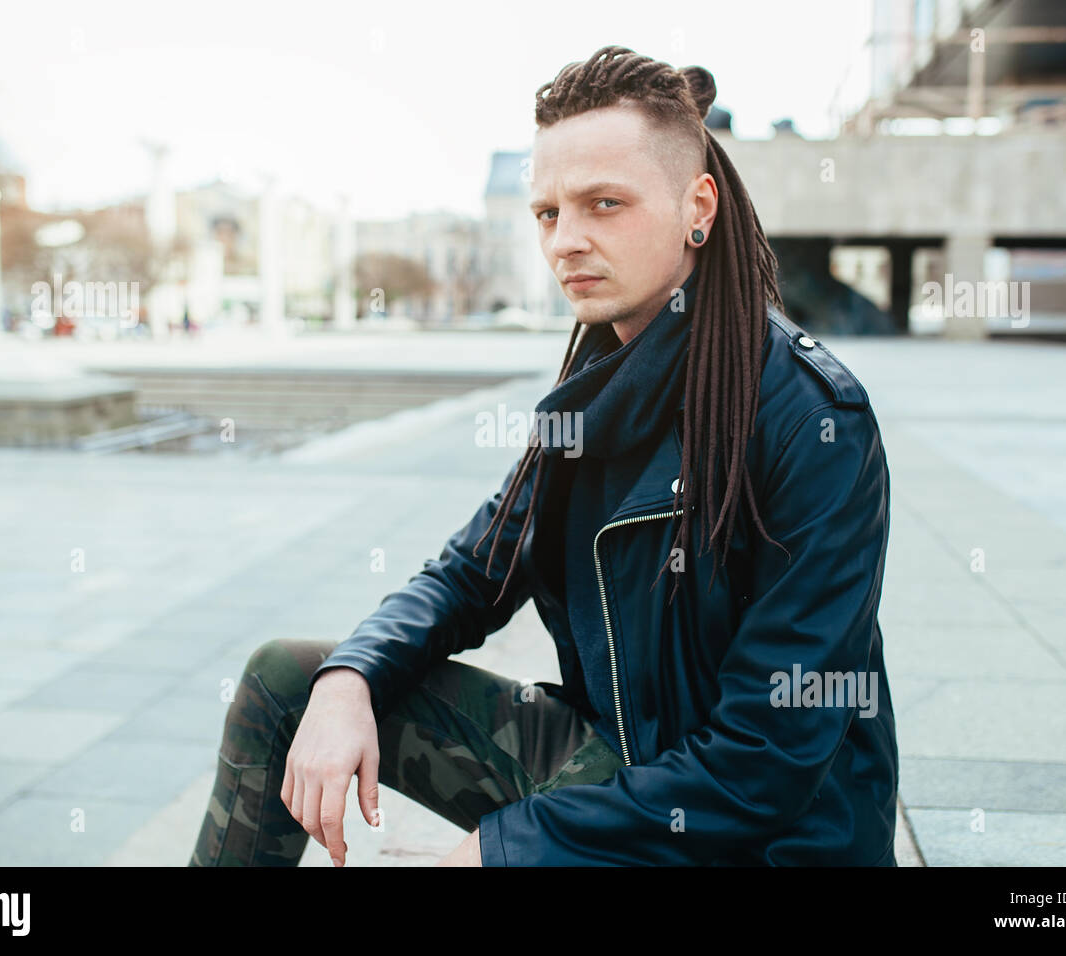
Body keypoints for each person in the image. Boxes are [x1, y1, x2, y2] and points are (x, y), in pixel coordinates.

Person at [189, 45, 898, 868]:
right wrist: (350, 677)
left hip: (757, 831)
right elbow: (467, 575)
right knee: (289, 681)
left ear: (696, 207)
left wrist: (504, 848)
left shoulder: (812, 419)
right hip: (616, 764)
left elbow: (764, 764)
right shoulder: (591, 395)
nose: (567, 241)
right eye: (548, 213)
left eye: (604, 204)